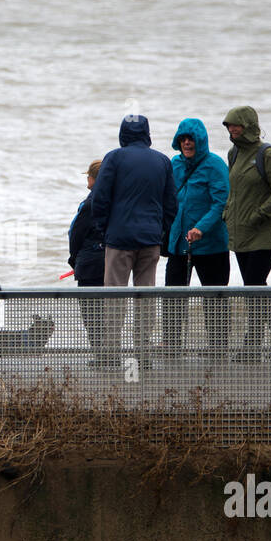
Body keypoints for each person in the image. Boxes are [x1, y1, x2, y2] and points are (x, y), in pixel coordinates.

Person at [90, 114, 177, 368]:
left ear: (123, 133)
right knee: (145, 296)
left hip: (119, 240)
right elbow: (171, 203)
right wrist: (162, 233)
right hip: (150, 240)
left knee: (115, 298)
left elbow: (100, 198)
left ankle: (111, 356)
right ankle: (143, 354)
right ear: (147, 133)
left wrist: (103, 229)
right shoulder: (162, 161)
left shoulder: (114, 158)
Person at [222, 105, 271, 361]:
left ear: (249, 125)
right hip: (241, 233)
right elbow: (235, 189)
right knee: (255, 288)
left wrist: (259, 214)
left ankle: (252, 347)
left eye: (236, 125)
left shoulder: (267, 154)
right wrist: (227, 212)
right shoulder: (234, 154)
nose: (232, 130)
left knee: (254, 287)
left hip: (266, 234)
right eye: (229, 126)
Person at [161, 119, 230, 357]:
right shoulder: (174, 164)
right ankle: (171, 345)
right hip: (178, 244)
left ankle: (218, 347)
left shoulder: (215, 165)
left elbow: (221, 203)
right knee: (172, 297)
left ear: (201, 140)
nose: (187, 142)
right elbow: (168, 200)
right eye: (183, 139)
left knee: (215, 299)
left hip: (211, 245)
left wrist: (201, 228)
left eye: (191, 138)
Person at [68, 159, 110, 367]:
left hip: (89, 263)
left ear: (94, 179)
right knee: (107, 311)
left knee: (91, 314)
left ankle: (101, 357)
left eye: (88, 176)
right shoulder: (114, 201)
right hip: (110, 261)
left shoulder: (90, 204)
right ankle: (109, 354)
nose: (87, 180)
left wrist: (73, 259)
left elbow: (76, 234)